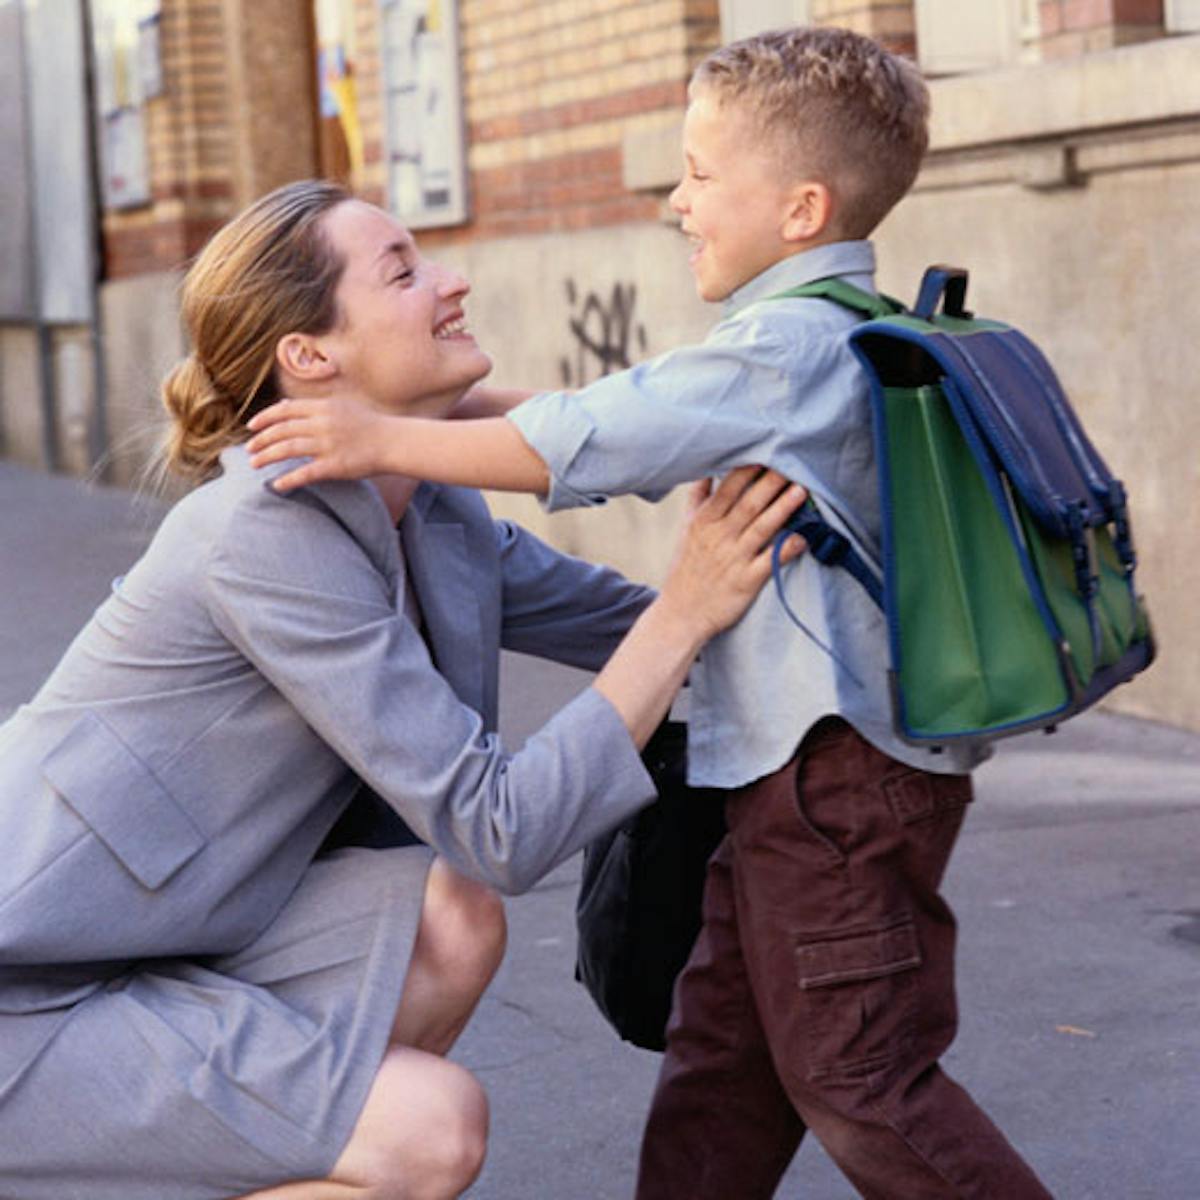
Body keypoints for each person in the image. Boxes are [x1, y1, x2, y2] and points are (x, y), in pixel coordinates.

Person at [245, 27, 1055, 1200]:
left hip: (832, 784)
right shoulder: (818, 331)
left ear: (800, 208)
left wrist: (377, 436)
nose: (676, 199)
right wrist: (435, 403)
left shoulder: (784, 349)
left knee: (858, 1077)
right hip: (796, 778)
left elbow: (589, 438)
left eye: (700, 173)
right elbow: (627, 411)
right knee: (722, 1063)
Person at [0, 179, 809, 1200]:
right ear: (310, 356)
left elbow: (633, 622)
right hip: (27, 993)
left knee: (450, 917)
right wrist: (687, 608)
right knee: (431, 1129)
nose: (451, 280)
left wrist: (774, 579)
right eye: (403, 272)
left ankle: (270, 1146)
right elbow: (502, 822)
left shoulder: (423, 508)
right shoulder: (259, 537)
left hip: (175, 934)